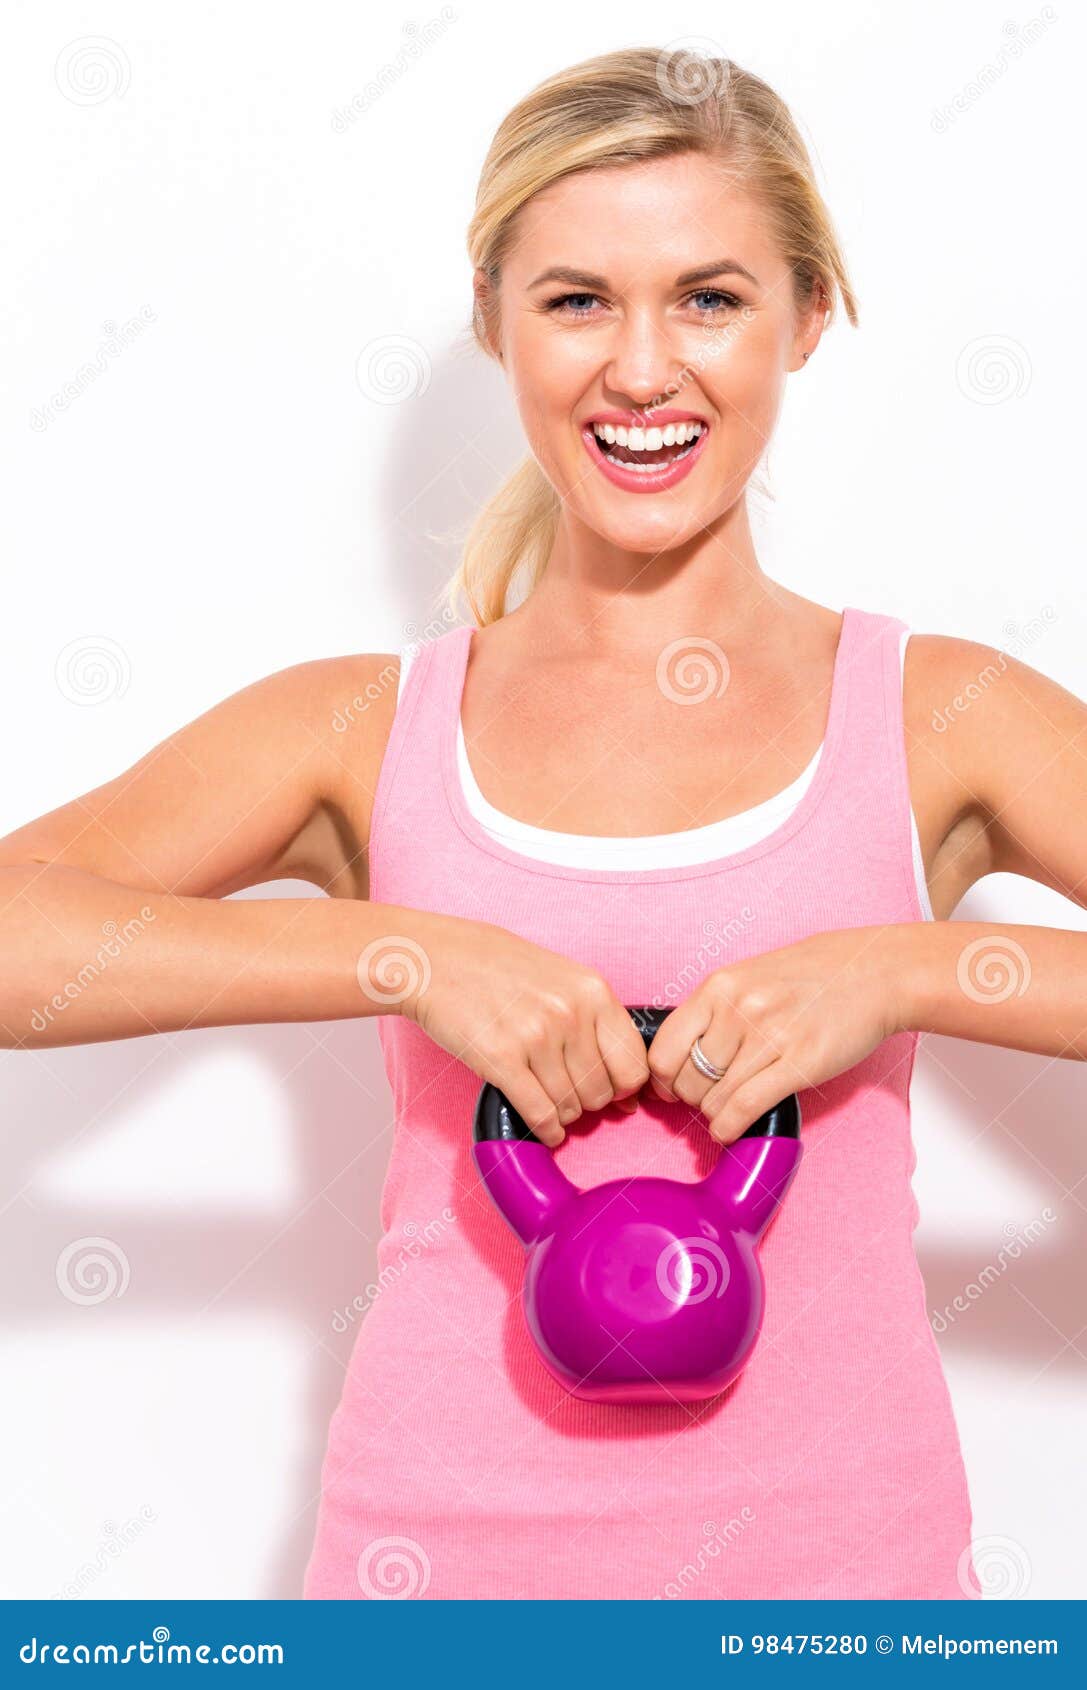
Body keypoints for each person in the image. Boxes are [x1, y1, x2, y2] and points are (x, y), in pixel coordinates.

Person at [3, 45, 1084, 1602]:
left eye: (708, 298)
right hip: (434, 1587)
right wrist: (397, 954)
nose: (642, 370)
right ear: (493, 322)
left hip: (849, 1596)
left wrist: (909, 971)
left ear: (807, 318)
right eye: (578, 301)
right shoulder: (363, 726)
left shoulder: (933, 710)